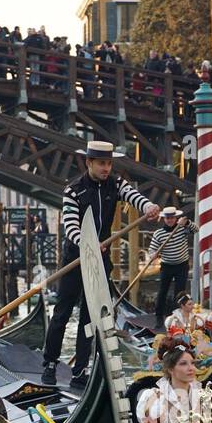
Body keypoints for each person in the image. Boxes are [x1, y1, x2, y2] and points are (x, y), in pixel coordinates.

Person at [42, 140, 160, 388]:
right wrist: (88, 245)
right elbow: (71, 226)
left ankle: (80, 370)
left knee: (91, 315)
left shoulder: (115, 184)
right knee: (62, 312)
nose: (106, 168)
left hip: (101, 258)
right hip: (76, 258)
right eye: (101, 163)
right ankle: (50, 364)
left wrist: (148, 206)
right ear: (89, 163)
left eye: (108, 163)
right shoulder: (73, 191)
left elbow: (134, 197)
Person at [136, 342, 208, 423]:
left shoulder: (203, 396)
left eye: (192, 363)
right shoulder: (154, 397)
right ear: (170, 369)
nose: (191, 368)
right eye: (183, 363)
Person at [148, 206, 194, 321]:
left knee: (179, 292)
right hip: (167, 266)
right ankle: (158, 317)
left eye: (172, 218)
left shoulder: (183, 228)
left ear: (175, 218)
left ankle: (177, 316)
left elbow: (195, 229)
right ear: (164, 219)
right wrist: (153, 255)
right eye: (168, 218)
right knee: (163, 290)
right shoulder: (158, 233)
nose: (170, 220)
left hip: (182, 265)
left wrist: (187, 222)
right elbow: (152, 249)